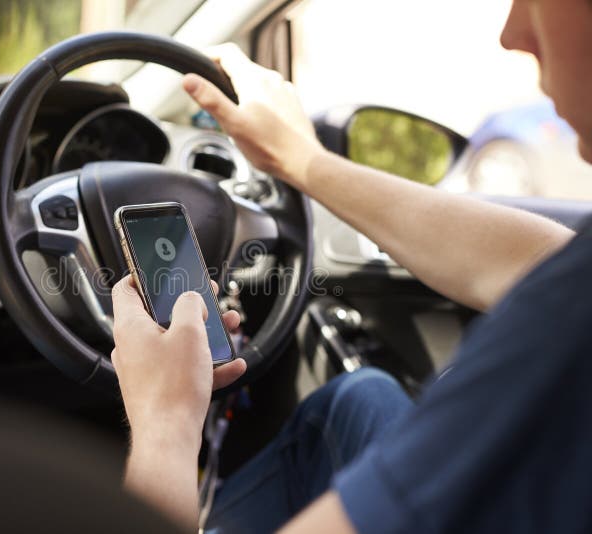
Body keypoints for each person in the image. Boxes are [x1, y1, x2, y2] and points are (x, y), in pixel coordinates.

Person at [110, 0, 592, 532]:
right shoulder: (573, 288)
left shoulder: (569, 328)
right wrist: (300, 160)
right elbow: (541, 260)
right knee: (359, 397)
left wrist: (166, 424)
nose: (512, 33)